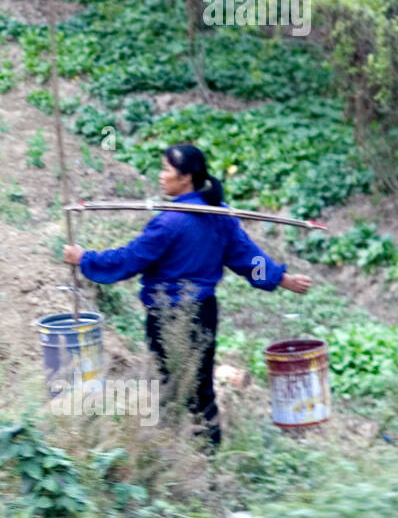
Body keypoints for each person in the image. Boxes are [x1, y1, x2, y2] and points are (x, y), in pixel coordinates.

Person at [62, 143, 311, 448]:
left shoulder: (170, 223)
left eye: (166, 169)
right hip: (204, 314)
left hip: (168, 316)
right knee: (201, 386)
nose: (160, 175)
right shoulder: (219, 217)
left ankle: (166, 455)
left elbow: (129, 260)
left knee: (165, 385)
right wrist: (282, 279)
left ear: (186, 177)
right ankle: (207, 453)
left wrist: (85, 259)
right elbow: (250, 260)